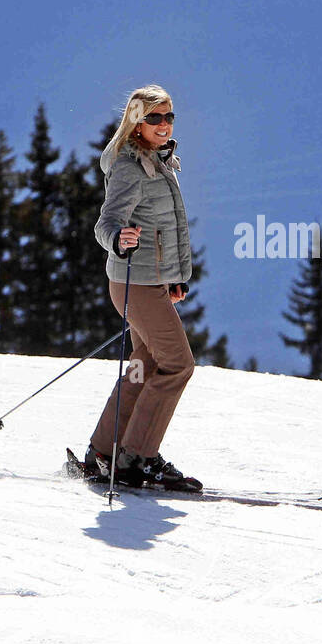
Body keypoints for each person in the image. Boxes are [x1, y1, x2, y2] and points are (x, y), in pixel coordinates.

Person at [83, 85, 201, 492]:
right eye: (154, 118)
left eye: (168, 117)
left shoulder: (158, 161)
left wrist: (176, 275)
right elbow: (105, 223)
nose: (164, 124)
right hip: (135, 283)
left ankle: (104, 451)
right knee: (178, 365)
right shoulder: (130, 167)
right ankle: (138, 458)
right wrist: (118, 238)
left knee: (146, 364)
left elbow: (166, 227)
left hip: (150, 281)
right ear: (136, 121)